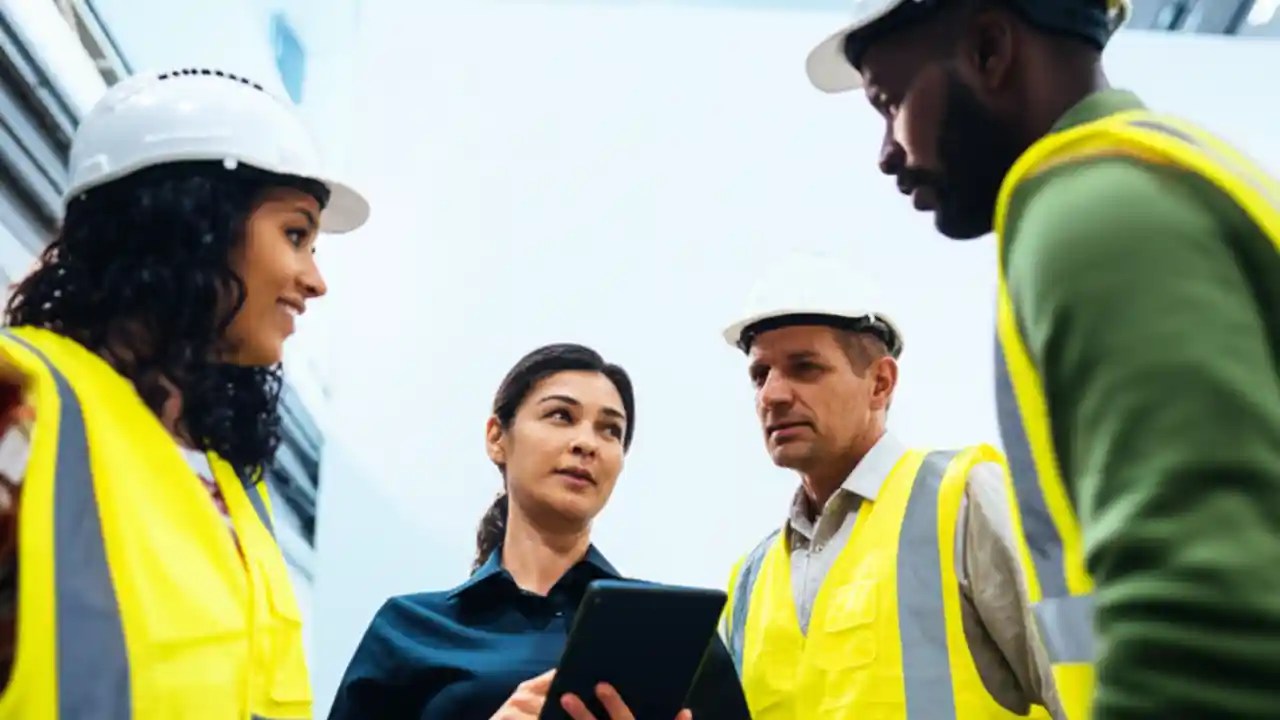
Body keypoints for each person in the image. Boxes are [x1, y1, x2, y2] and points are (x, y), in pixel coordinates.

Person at [803, 0, 1280, 718]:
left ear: (990, 50)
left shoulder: (1096, 210)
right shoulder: (1160, 174)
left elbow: (1199, 619)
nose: (888, 152)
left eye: (890, 101)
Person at [0, 67, 368, 718]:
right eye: (294, 234)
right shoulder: (20, 397)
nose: (316, 281)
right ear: (194, 223)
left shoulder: (228, 485)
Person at [717, 257, 1062, 720]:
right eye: (760, 375)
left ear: (880, 383)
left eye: (804, 368)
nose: (772, 395)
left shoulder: (963, 498)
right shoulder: (748, 584)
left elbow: (1082, 680)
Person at [328, 343, 747, 720]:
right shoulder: (409, 630)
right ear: (497, 438)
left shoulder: (676, 638)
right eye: (561, 416)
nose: (587, 443)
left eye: (610, 430)